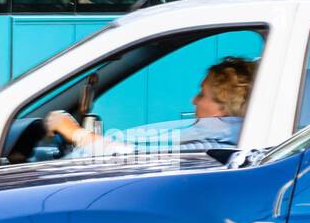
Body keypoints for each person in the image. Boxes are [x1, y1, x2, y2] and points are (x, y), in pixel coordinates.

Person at [47, 56, 256, 156]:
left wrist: (75, 133)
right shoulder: (229, 136)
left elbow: (132, 156)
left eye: (203, 94)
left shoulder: (213, 144)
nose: (194, 100)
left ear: (223, 108)